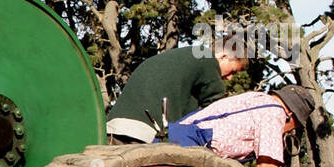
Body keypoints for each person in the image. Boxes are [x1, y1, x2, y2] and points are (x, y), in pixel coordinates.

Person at [166, 85, 314, 167]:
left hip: (179, 135)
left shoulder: (257, 99)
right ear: (291, 116)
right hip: (191, 144)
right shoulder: (275, 113)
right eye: (295, 127)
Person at [106, 43, 247, 143]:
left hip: (114, 128)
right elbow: (218, 108)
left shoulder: (182, 60)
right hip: (143, 133)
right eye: (233, 71)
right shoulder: (207, 59)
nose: (230, 78)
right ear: (223, 56)